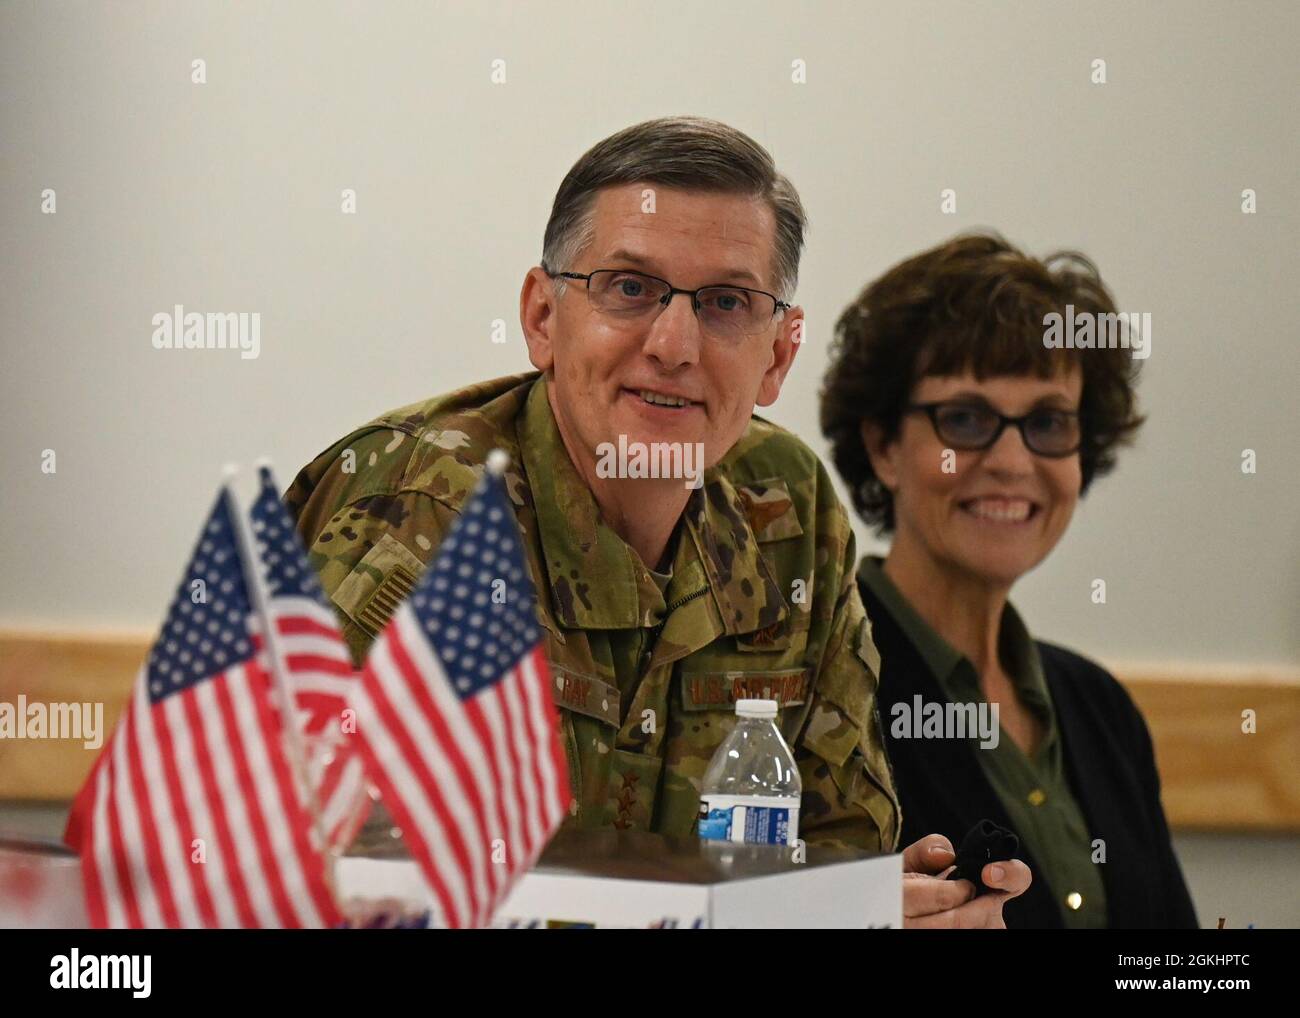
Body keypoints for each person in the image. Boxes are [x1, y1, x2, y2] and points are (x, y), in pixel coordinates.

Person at [287, 117, 1030, 927]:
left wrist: (895, 913)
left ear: (778, 355)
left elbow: (834, 857)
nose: (674, 345)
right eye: (630, 289)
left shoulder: (790, 515)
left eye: (725, 303)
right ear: (542, 317)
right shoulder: (423, 513)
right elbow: (310, 886)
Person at [820, 232, 1197, 928]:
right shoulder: (815, 687)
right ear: (883, 446)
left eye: (1049, 423)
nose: (1013, 461)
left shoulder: (1100, 706)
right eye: (965, 419)